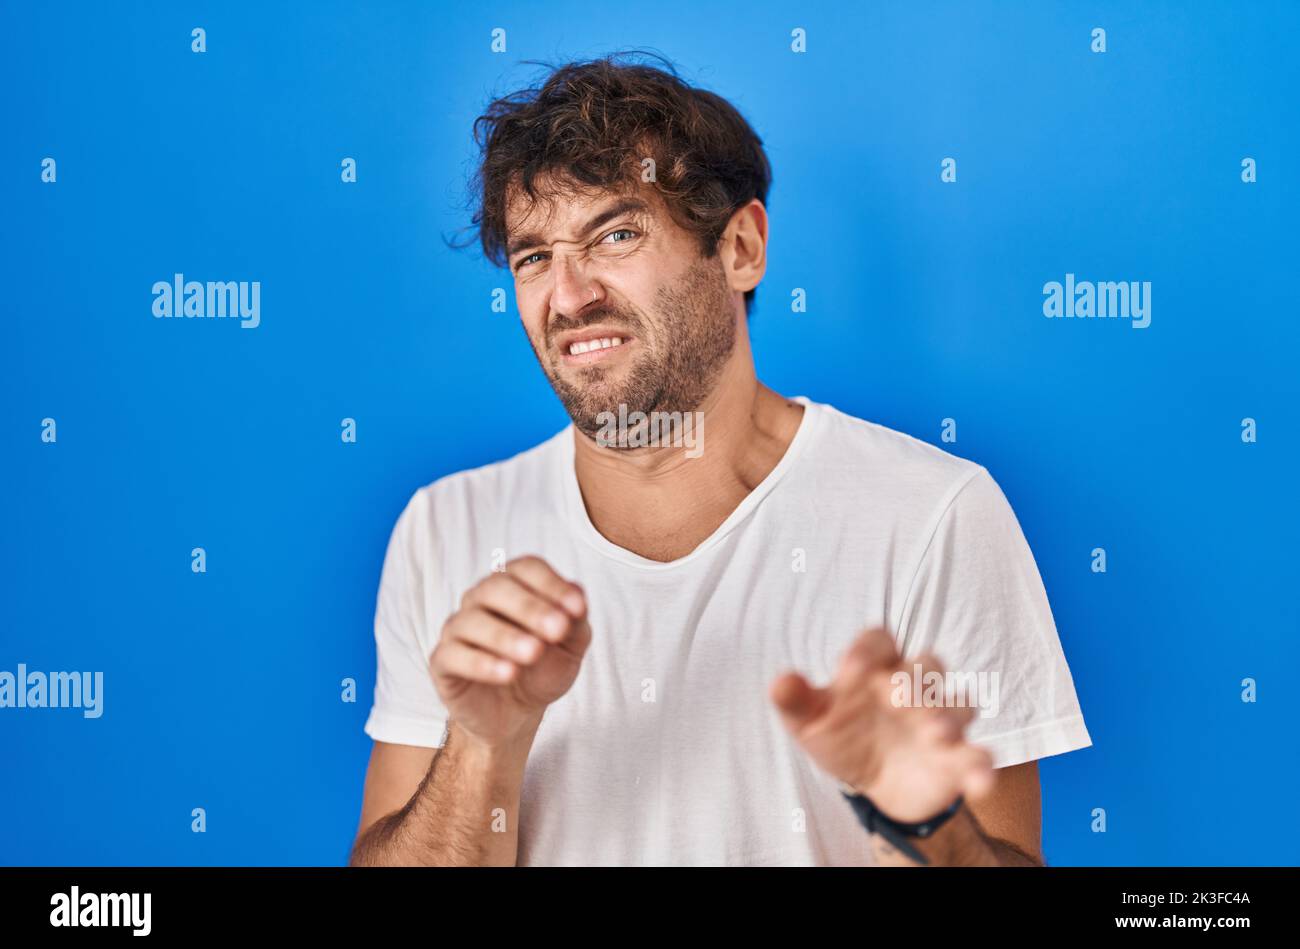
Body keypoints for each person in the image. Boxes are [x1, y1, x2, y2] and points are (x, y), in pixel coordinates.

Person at [349, 53, 1091, 866]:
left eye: (617, 234)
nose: (566, 295)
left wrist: (924, 828)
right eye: (533, 257)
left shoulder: (932, 517)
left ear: (740, 246)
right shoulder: (447, 528)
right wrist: (481, 744)